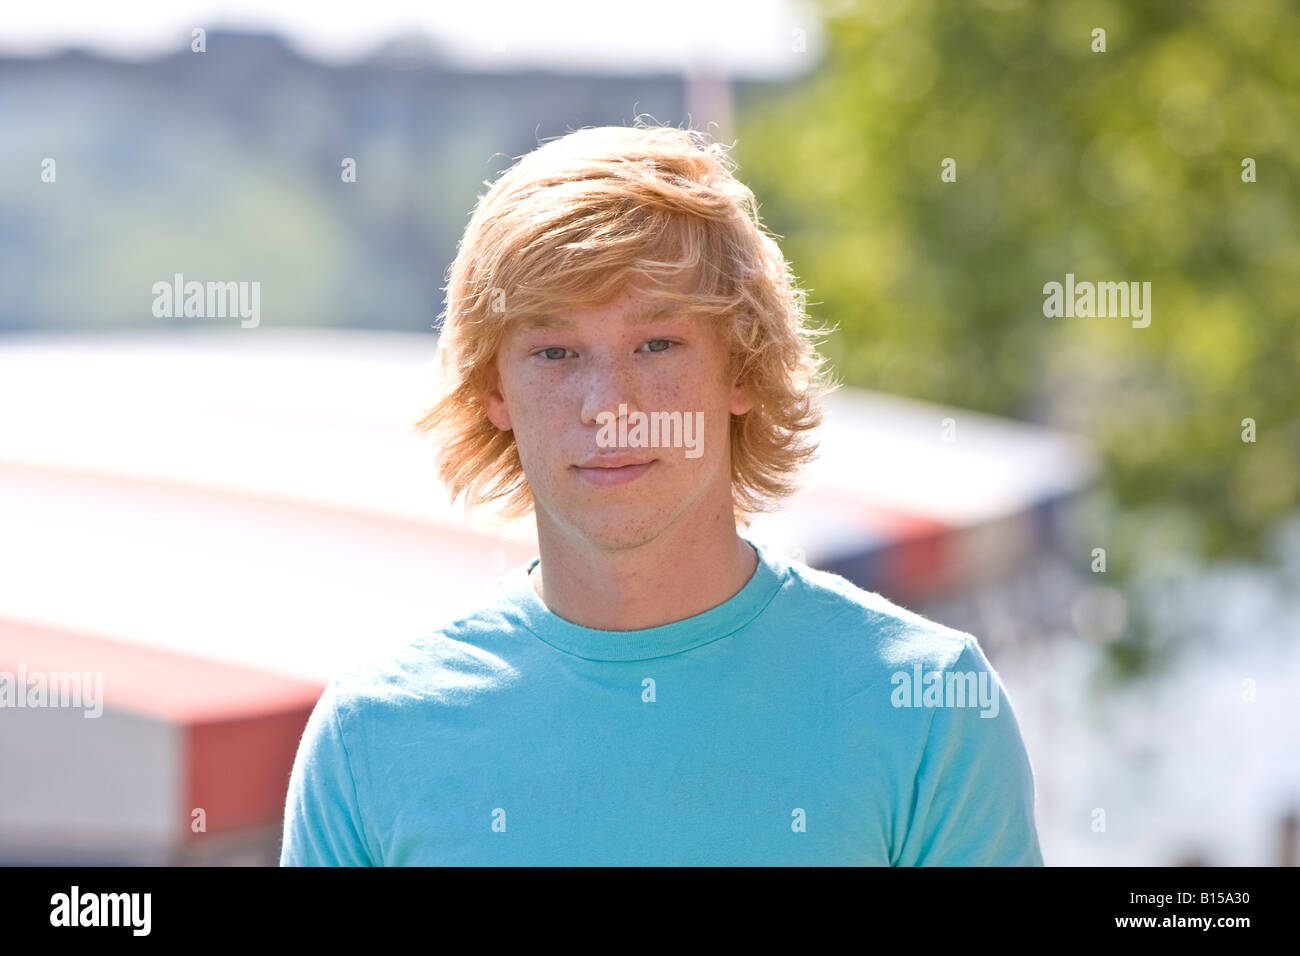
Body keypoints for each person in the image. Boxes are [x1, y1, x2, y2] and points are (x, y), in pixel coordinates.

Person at [279, 121, 1044, 865]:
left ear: (741, 369)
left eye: (657, 345)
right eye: (553, 351)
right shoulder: (371, 738)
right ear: (494, 392)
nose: (607, 404)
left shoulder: (928, 708)